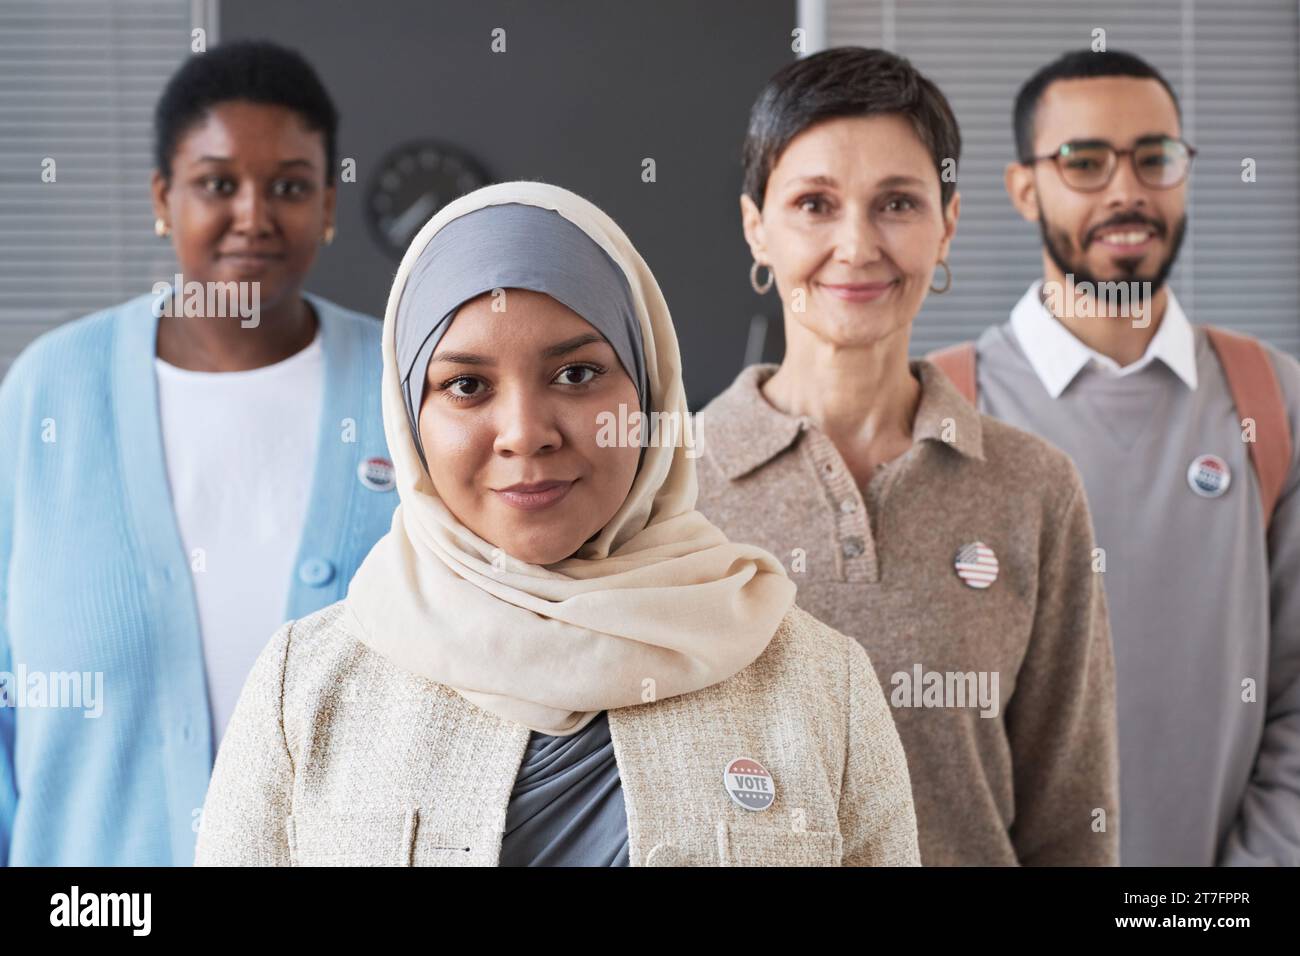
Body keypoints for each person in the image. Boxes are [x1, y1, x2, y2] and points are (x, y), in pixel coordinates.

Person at [194, 180, 920, 867]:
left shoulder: (820, 686)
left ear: (649, 385)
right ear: (409, 419)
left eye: (576, 375)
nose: (524, 433)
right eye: (466, 386)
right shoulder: (307, 688)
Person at [694, 47, 1118, 865]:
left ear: (947, 223)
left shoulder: (1036, 491)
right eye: (815, 204)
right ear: (757, 226)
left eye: (896, 203)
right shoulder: (666, 487)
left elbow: (1072, 817)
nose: (856, 246)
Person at [0, 40, 396, 866]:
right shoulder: (50, 394)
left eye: (288, 186)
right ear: (162, 199)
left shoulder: (409, 389)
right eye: (218, 183)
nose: (253, 215)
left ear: (327, 204)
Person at [927, 48, 1300, 866]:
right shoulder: (942, 407)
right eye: (1085, 162)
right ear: (1025, 188)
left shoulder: (1272, 399)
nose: (1127, 191)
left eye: (1155, 158)